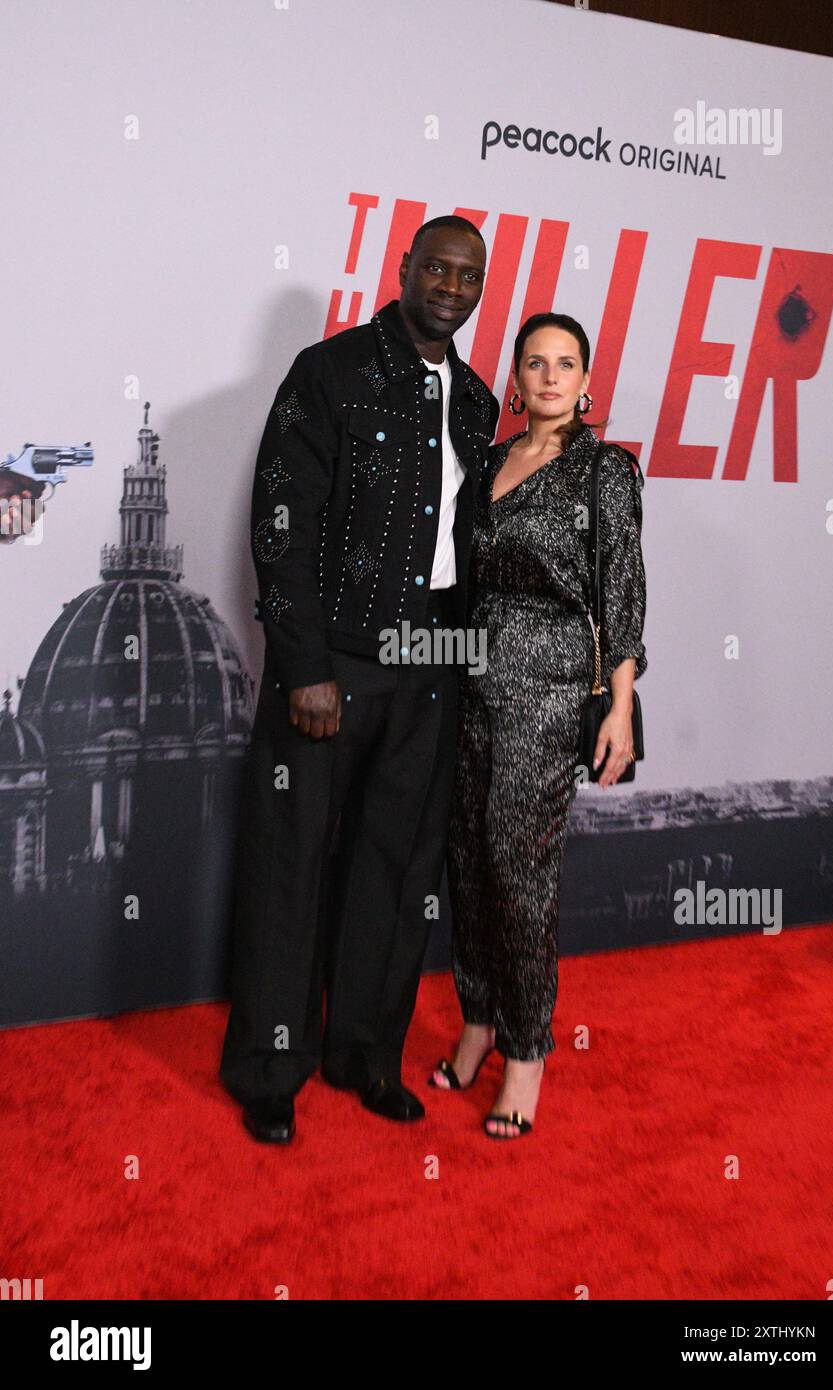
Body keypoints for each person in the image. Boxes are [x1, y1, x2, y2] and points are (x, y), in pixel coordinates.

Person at [220, 216, 499, 1142]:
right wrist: (302, 666)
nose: (451, 287)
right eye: (438, 269)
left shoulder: (476, 400)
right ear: (407, 269)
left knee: (396, 869)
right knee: (292, 864)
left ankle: (366, 1057)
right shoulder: (329, 372)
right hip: (331, 665)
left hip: (433, 671)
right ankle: (271, 1069)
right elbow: (281, 527)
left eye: (469, 276)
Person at [429, 313, 647, 1138]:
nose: (550, 377)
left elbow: (621, 594)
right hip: (470, 683)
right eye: (535, 363)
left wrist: (619, 707)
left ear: (586, 381)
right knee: (467, 860)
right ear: (514, 381)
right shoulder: (485, 463)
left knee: (521, 877)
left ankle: (527, 1053)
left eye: (566, 364)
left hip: (550, 694)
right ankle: (478, 1020)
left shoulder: (605, 472)